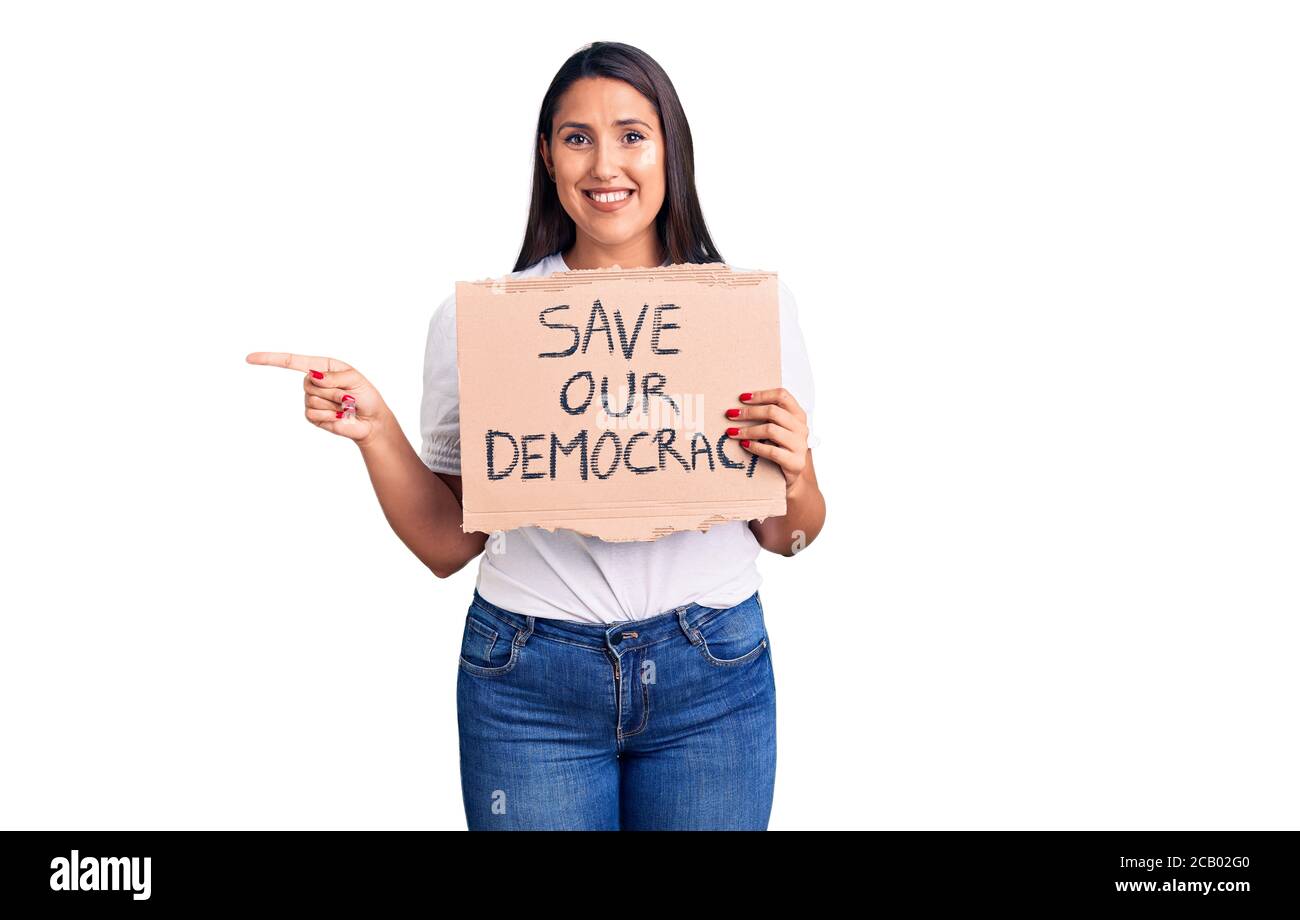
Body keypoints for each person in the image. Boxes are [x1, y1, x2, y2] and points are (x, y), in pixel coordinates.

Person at [247, 41, 825, 830]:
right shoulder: (484, 326)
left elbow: (790, 537)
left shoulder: (745, 315)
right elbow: (449, 547)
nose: (605, 163)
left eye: (632, 134)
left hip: (712, 676)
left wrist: (793, 479)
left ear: (670, 151)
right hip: (528, 684)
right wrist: (374, 430)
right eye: (577, 137)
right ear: (547, 157)